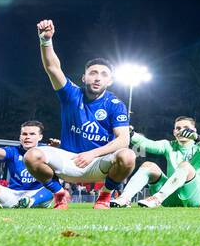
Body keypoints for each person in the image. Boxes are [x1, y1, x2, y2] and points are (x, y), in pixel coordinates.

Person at [23, 20, 135, 209]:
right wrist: (46, 41)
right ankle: (59, 193)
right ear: (84, 77)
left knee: (128, 156)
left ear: (110, 81)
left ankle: (105, 196)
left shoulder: (115, 104)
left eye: (103, 74)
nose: (97, 77)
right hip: (68, 160)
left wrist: (92, 154)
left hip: (98, 163)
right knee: (31, 156)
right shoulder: (71, 94)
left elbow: (123, 140)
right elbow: (53, 68)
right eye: (93, 73)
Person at [116, 116, 200, 208]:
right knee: (148, 165)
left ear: (194, 130)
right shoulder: (169, 146)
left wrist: (197, 138)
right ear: (174, 132)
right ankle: (123, 199)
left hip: (196, 197)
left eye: (186, 128)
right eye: (178, 128)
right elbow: (147, 143)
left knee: (185, 166)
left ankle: (156, 198)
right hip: (171, 198)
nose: (182, 131)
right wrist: (131, 134)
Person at [0, 120, 56, 209]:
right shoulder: (13, 151)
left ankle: (30, 201)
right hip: (15, 196)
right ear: (20, 137)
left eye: (32, 134)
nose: (27, 137)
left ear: (40, 137)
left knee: (53, 185)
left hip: (39, 195)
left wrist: (55, 149)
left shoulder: (46, 152)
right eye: (24, 134)